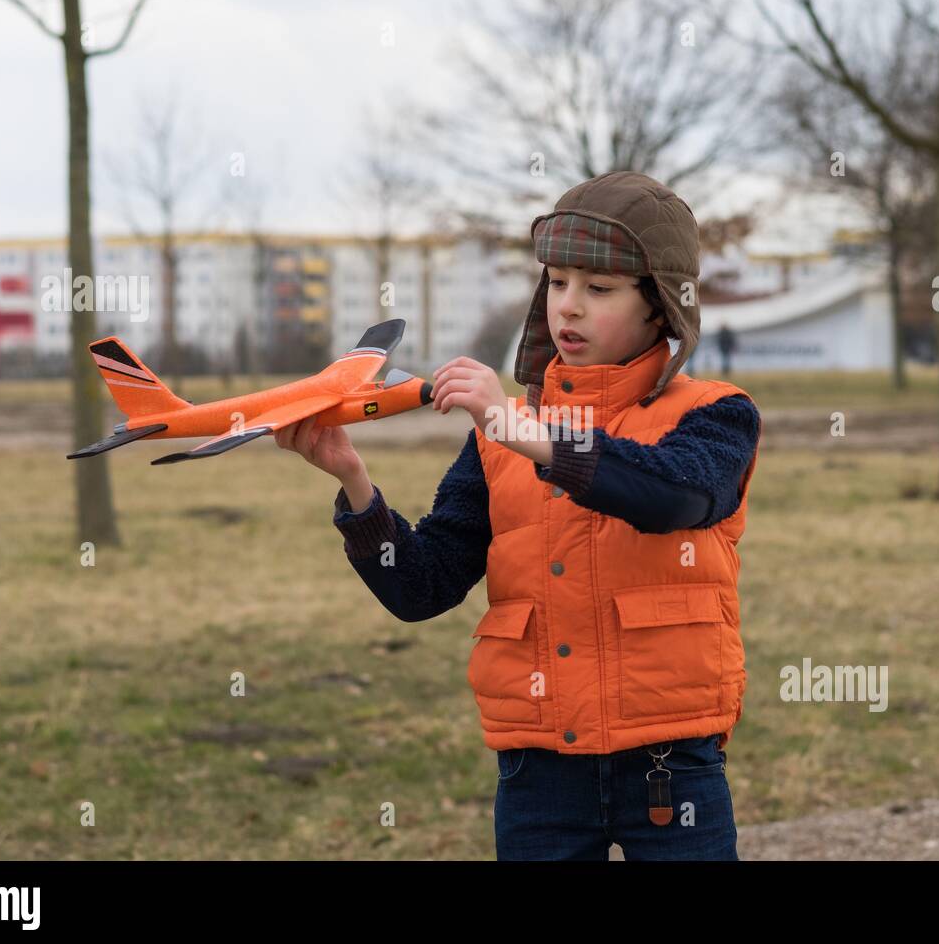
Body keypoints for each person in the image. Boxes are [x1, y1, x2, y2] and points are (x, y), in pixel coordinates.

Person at [276, 171, 761, 860]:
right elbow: (423, 587)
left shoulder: (715, 415)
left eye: (599, 289)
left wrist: (521, 428)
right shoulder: (499, 437)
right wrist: (355, 484)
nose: (570, 307)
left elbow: (672, 498)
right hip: (537, 775)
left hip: (670, 763)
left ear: (661, 308)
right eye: (558, 282)